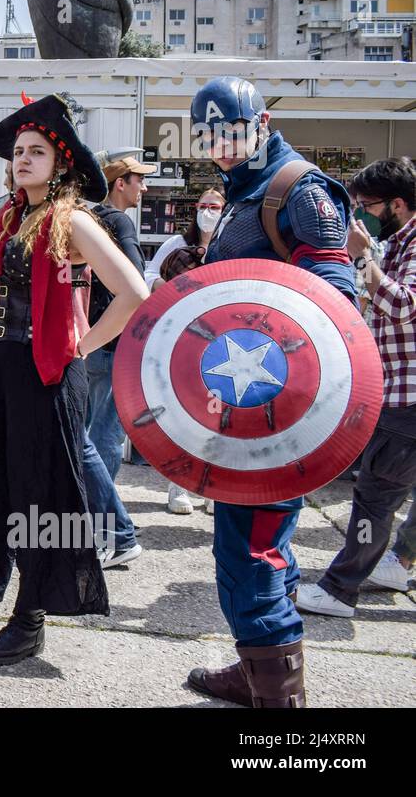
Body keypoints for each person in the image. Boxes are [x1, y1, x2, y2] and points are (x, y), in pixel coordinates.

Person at [0, 94, 148, 665]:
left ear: (60, 162)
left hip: (48, 375)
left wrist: (79, 347)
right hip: (4, 364)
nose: (23, 159)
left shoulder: (73, 221)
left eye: (35, 151)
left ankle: (30, 619)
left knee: (37, 497)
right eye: (18, 151)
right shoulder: (13, 218)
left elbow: (134, 293)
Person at [178, 76, 355, 709]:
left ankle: (280, 702)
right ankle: (258, 672)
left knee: (251, 549)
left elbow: (334, 305)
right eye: (210, 137)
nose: (221, 147)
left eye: (231, 132)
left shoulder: (298, 190)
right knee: (257, 542)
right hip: (248, 404)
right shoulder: (246, 188)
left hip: (282, 409)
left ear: (262, 122)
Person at [295, 158, 416, 614]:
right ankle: (390, 564)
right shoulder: (399, 243)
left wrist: (363, 257)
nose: (362, 215)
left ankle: (340, 588)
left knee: (374, 497)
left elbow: (403, 306)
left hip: (407, 400)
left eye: (367, 206)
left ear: (397, 204)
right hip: (398, 392)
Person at [80, 153, 153, 569]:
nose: (143, 188)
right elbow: (136, 279)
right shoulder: (118, 222)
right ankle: (111, 531)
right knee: (101, 436)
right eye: (138, 180)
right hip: (111, 342)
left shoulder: (92, 220)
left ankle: (101, 525)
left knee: (89, 434)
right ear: (119, 182)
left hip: (95, 339)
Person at [143, 188, 225, 514]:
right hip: (183, 338)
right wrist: (178, 288)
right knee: (185, 414)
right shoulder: (177, 245)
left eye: (214, 206)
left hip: (221, 341)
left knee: (220, 417)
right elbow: (147, 276)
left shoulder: (229, 245)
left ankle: (214, 490)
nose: (208, 210)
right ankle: (178, 487)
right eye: (203, 205)